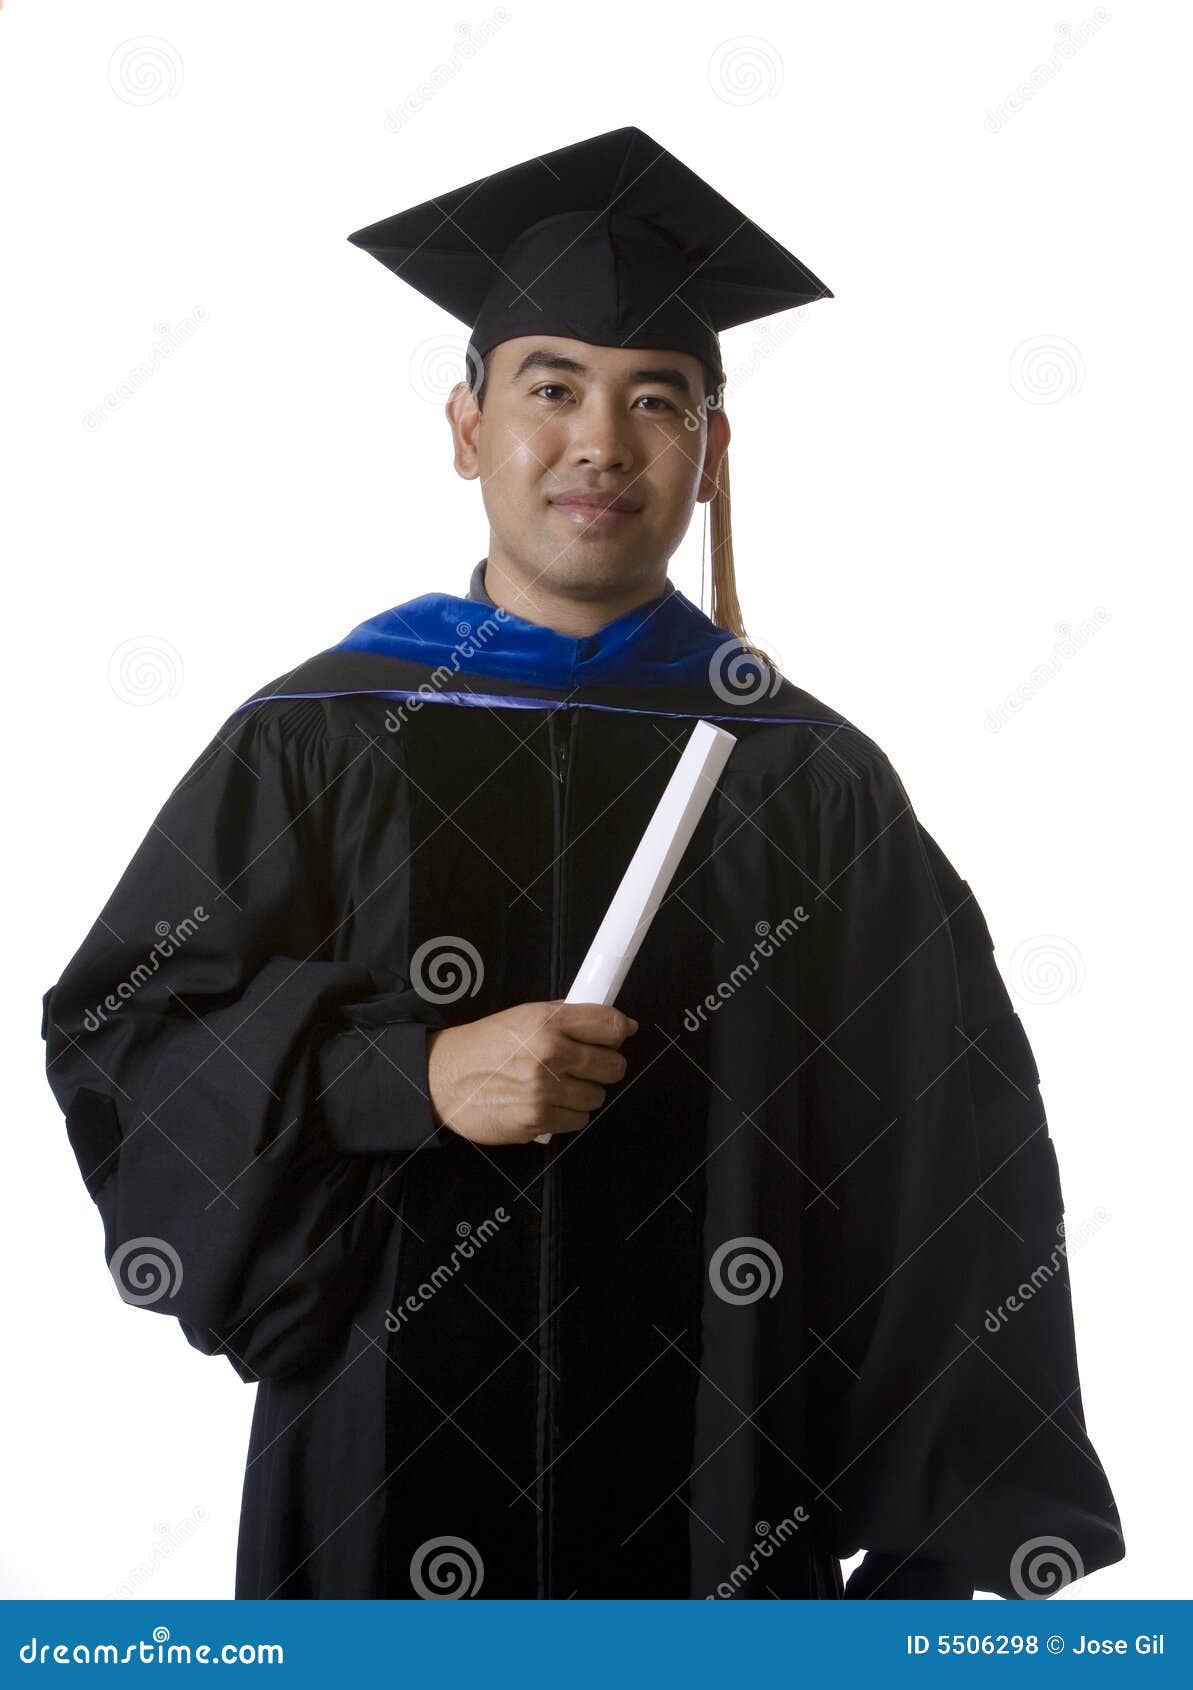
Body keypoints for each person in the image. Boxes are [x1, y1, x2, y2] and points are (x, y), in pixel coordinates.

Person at [42, 126, 1124, 1601]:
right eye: (550, 388)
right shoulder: (321, 737)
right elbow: (128, 1045)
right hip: (373, 1517)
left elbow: (954, 1164)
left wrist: (944, 1557)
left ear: (712, 453)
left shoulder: (807, 781)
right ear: (465, 426)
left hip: (726, 1526)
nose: (601, 442)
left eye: (656, 400)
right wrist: (409, 1076)